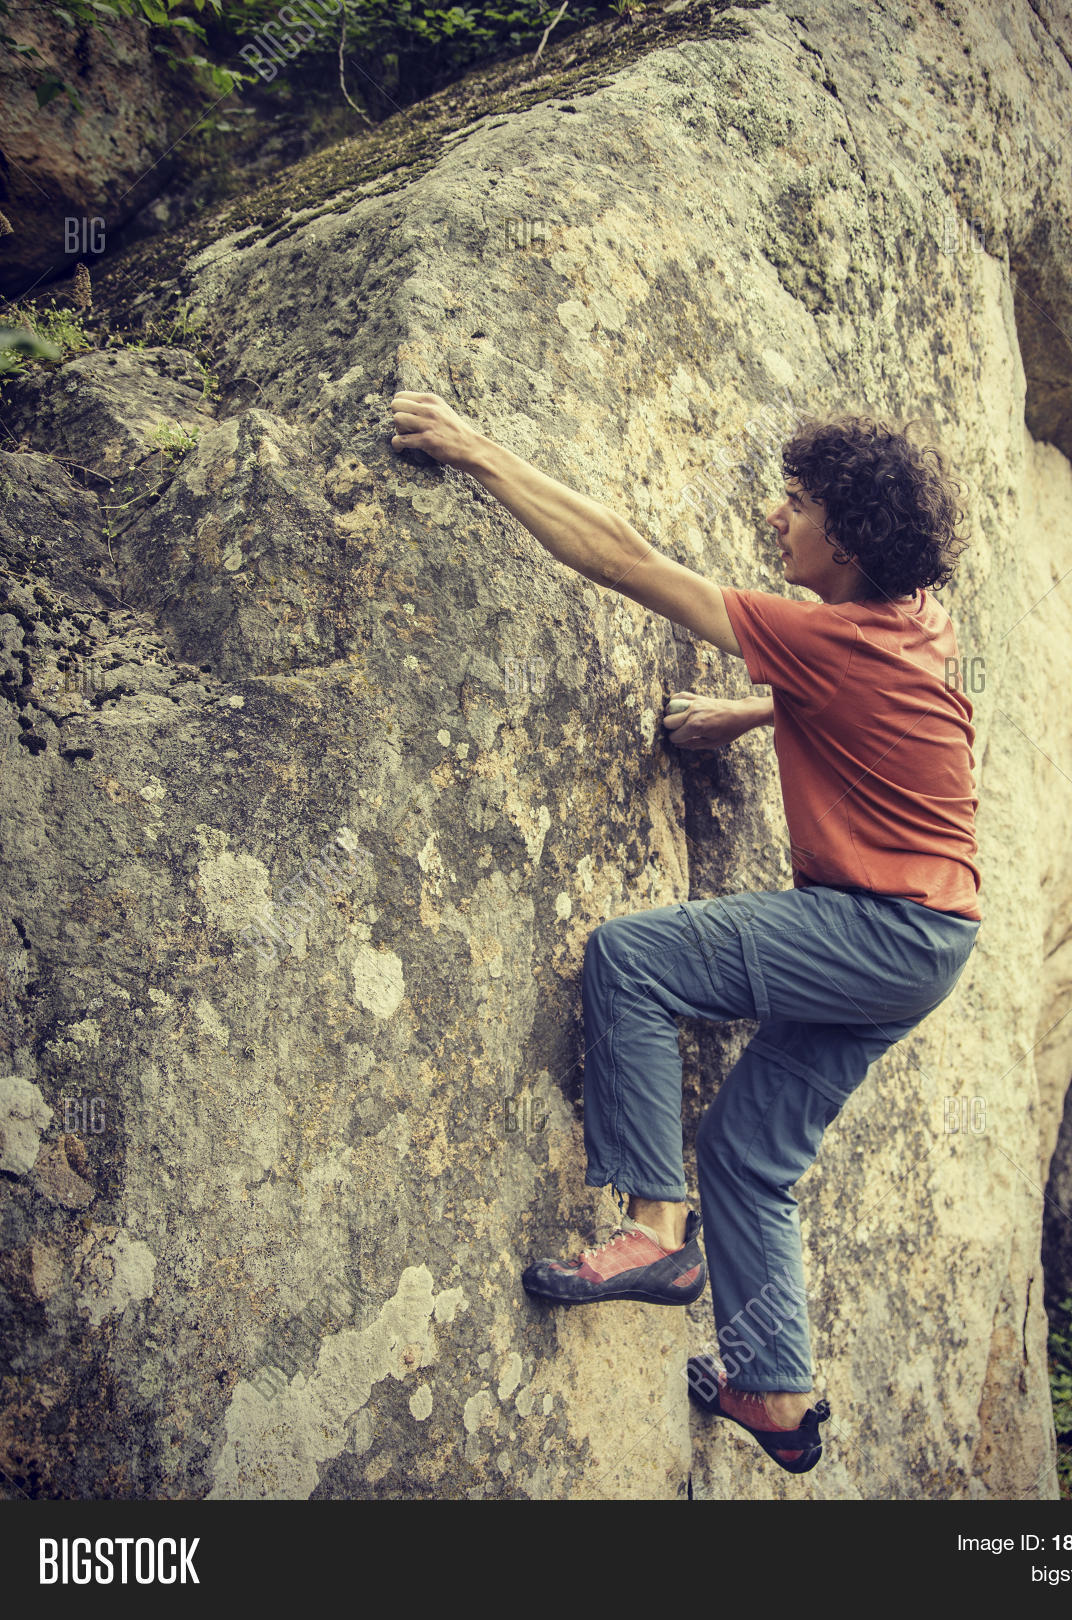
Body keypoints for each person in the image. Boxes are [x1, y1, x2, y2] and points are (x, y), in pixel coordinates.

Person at [389, 392, 982, 1476]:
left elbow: (625, 563)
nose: (774, 516)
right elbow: (894, 699)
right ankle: (774, 1394)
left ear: (841, 545)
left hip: (879, 929)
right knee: (749, 1160)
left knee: (634, 957)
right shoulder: (916, 614)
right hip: (932, 947)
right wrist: (757, 711)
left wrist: (477, 449)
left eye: (794, 506)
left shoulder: (824, 636)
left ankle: (656, 1238)